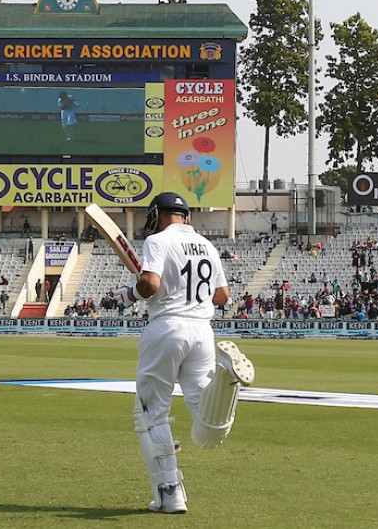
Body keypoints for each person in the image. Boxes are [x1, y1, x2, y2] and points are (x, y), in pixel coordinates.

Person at [126, 191, 254, 514]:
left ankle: (170, 494)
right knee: (204, 414)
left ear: (157, 213)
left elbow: (150, 285)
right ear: (188, 217)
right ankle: (225, 380)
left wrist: (132, 291)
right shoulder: (207, 245)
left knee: (151, 412)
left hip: (167, 327)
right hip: (202, 331)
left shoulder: (157, 241)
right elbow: (222, 295)